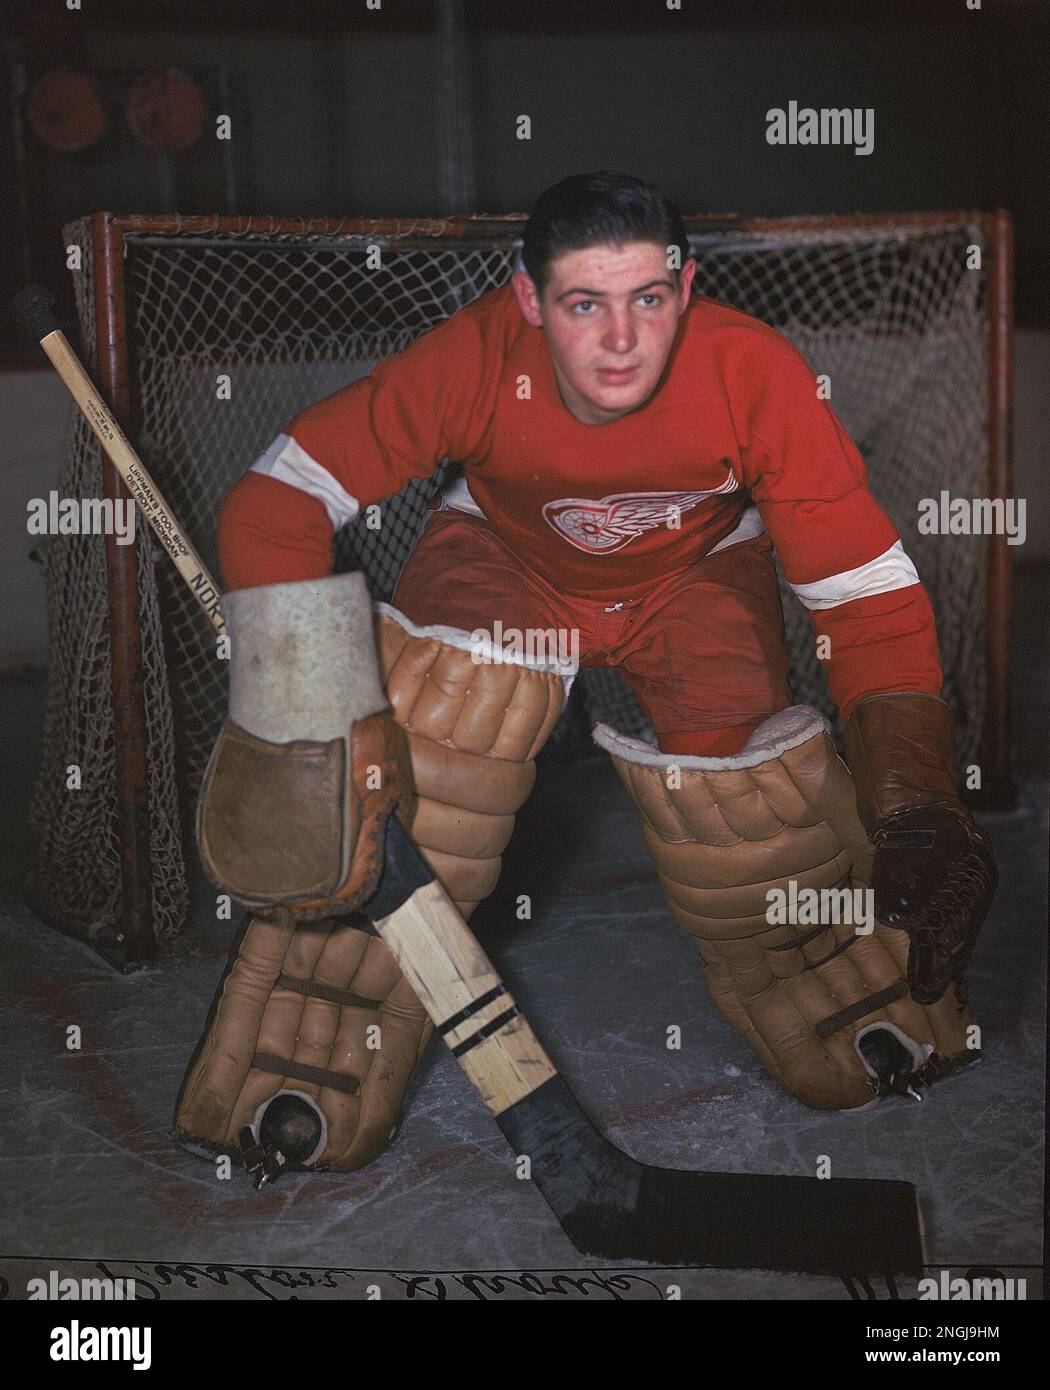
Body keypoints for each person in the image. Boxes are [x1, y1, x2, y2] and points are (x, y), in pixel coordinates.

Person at [175, 173, 996, 1182]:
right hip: (508, 553)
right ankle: (322, 1003)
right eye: (582, 304)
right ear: (529, 300)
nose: (620, 341)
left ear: (686, 287)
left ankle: (824, 971)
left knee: (754, 796)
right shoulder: (475, 357)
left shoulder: (754, 372)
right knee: (432, 741)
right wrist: (321, 716)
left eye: (648, 299)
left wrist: (917, 805)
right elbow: (274, 502)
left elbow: (866, 598)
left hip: (696, 570)